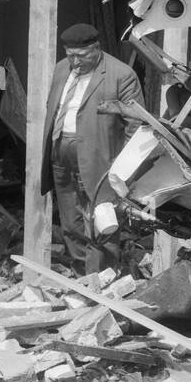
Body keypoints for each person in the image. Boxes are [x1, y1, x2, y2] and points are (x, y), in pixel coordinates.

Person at [39, 23, 141, 274]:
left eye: (81, 56)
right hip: (60, 154)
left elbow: (136, 125)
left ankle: (102, 279)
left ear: (96, 49)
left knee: (102, 220)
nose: (75, 62)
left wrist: (123, 168)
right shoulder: (61, 69)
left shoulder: (121, 74)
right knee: (70, 221)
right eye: (70, 55)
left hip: (100, 160)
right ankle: (81, 276)